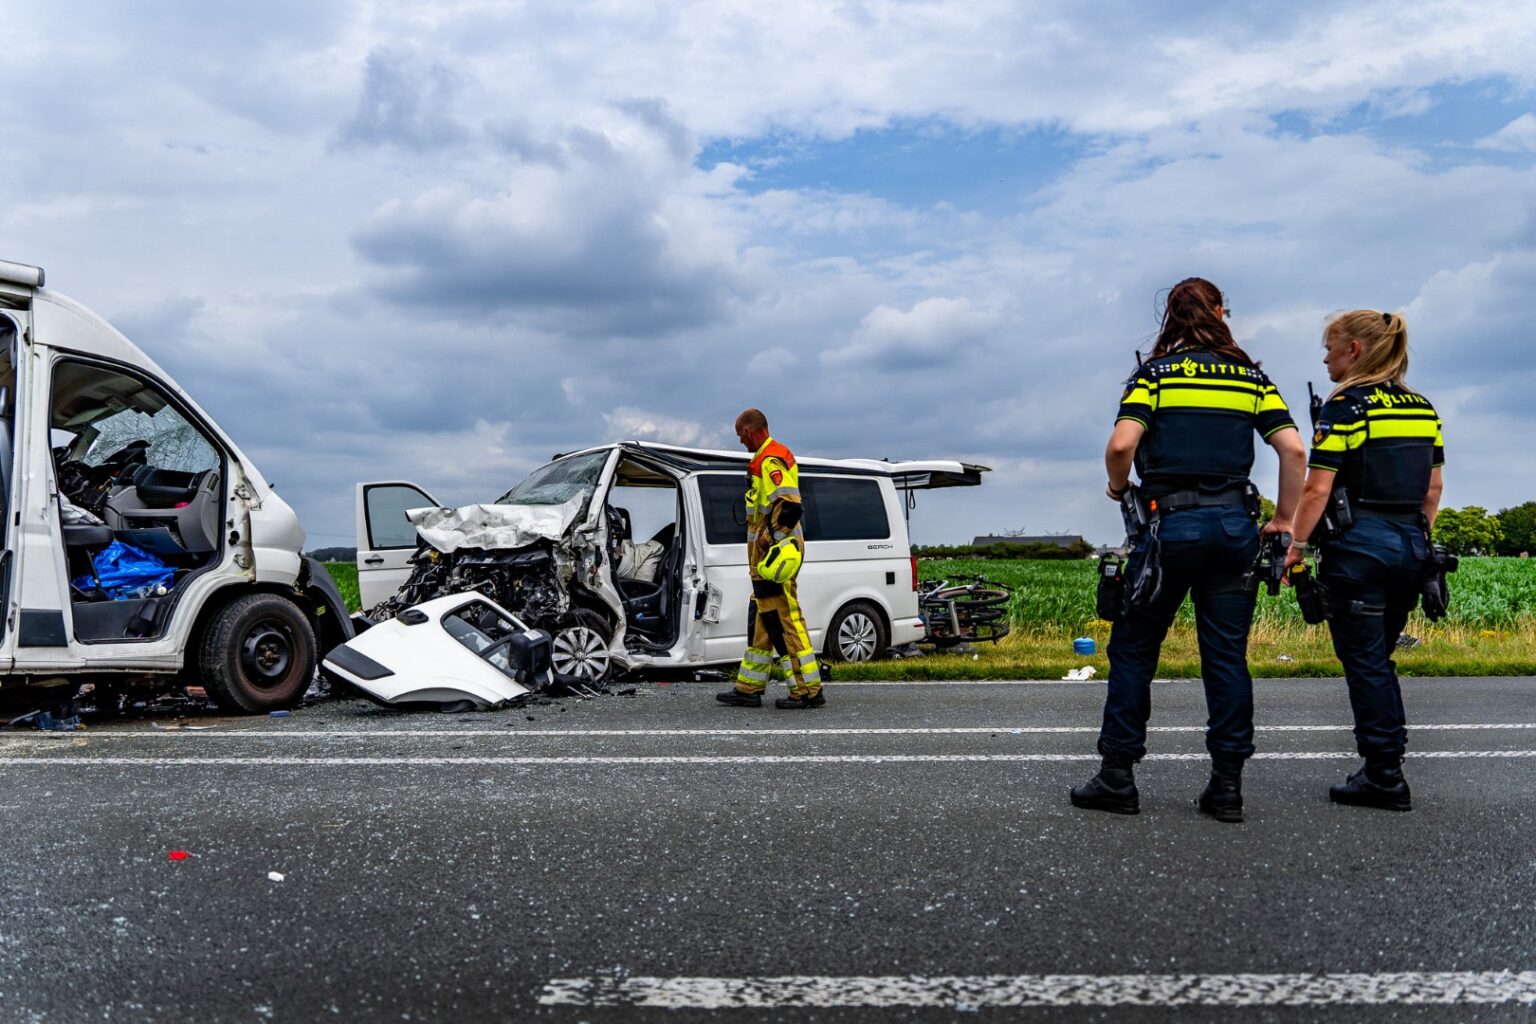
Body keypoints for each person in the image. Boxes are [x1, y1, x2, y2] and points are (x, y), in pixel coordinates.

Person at [1071, 277, 1306, 822]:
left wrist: (1117, 486)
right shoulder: (1252, 379)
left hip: (1167, 530)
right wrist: (1282, 521)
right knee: (1225, 658)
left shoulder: (1153, 375)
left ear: (1170, 318)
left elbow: (1121, 445)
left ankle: (1117, 777)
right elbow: (1293, 450)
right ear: (1222, 312)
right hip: (1233, 528)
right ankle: (1226, 787)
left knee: (1134, 652)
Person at [1283, 310, 1443, 812]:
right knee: (1382, 657)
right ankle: (1387, 759)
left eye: (1330, 347)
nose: (1325, 357)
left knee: (1366, 662)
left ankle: (1383, 774)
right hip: (1410, 546)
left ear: (1355, 349)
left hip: (1358, 550)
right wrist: (1415, 540)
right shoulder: (1422, 407)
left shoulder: (1346, 407)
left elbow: (1317, 488)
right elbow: (1433, 488)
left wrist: (1296, 547)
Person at [716, 408, 826, 709]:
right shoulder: (766, 458)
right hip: (765, 557)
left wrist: (771, 540)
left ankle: (807, 691)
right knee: (764, 616)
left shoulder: (770, 459)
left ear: (751, 430)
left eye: (741, 436)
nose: (741, 442)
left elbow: (790, 506)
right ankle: (749, 687)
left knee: (784, 619)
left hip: (773, 556)